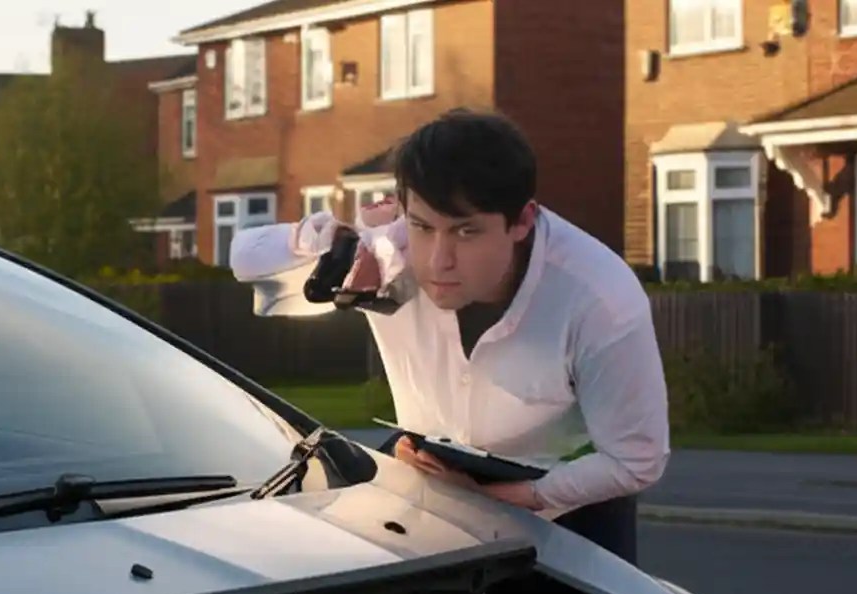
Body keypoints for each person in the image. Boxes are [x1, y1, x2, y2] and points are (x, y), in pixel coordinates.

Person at [228, 108, 670, 565]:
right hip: (424, 485)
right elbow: (245, 257)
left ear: (522, 221)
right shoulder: (386, 257)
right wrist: (332, 240)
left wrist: (505, 495)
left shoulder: (600, 298)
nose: (439, 261)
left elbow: (636, 459)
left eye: (466, 231)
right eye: (423, 226)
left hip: (564, 508)